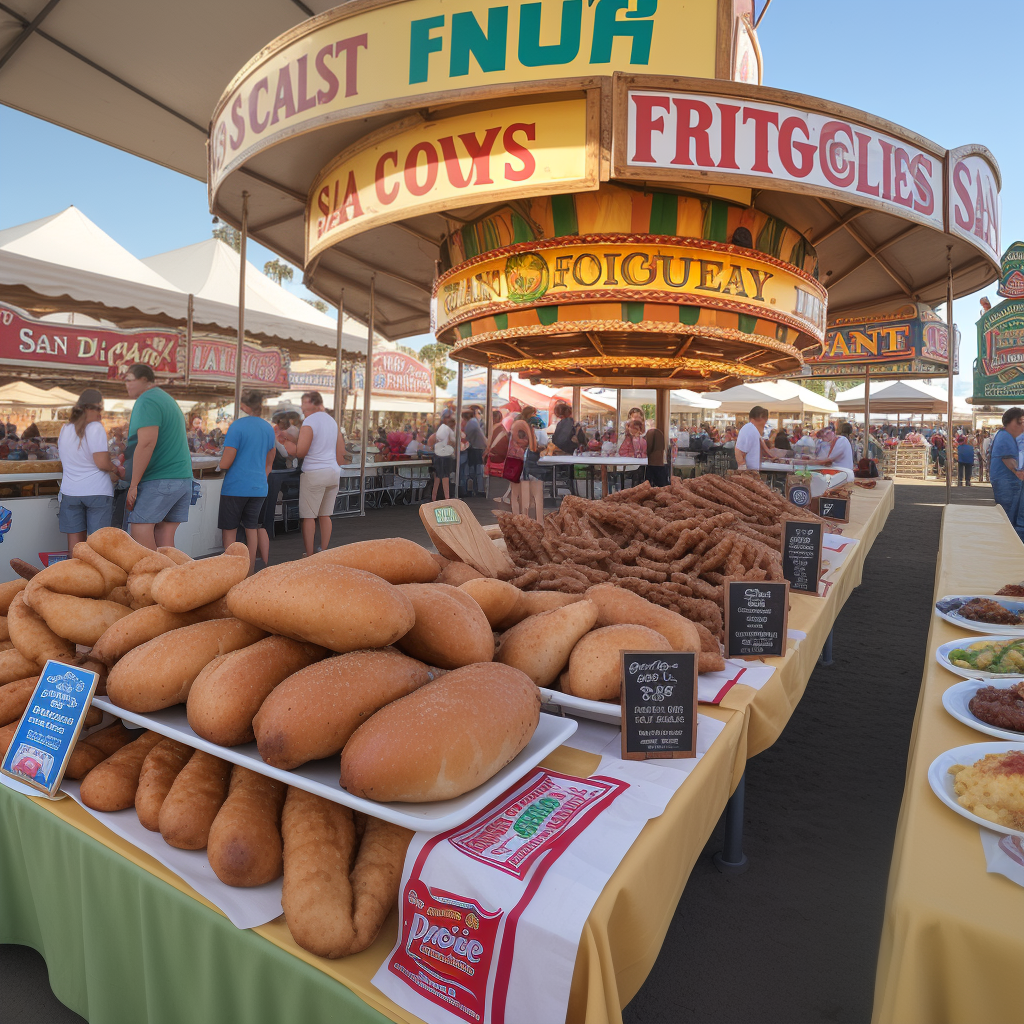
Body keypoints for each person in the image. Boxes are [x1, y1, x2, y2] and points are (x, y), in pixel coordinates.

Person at [123, 363, 194, 550]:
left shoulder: (147, 400)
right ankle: (173, 578)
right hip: (182, 478)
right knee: (164, 536)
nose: (126, 385)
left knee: (139, 528)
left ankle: (154, 578)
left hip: (161, 479)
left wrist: (134, 484)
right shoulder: (165, 398)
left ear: (145, 380)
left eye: (130, 380)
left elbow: (146, 443)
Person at [276, 391, 345, 557]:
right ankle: (324, 550)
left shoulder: (310, 421)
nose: (301, 406)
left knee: (308, 517)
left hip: (314, 473)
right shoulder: (332, 421)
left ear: (312, 403)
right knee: (325, 515)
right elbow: (340, 451)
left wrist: (284, 442)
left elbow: (300, 452)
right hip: (333, 471)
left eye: (304, 403)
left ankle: (310, 554)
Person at [217, 390, 275, 573]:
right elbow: (270, 461)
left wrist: (219, 464)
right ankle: (249, 570)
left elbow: (227, 460)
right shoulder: (268, 428)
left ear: (244, 406)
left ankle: (231, 571)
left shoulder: (237, 426)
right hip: (259, 487)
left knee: (230, 530)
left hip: (235, 486)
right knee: (252, 529)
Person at [57, 388, 121, 552]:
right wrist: (115, 468)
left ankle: (75, 576)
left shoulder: (65, 428)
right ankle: (96, 578)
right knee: (97, 547)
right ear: (93, 408)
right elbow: (101, 462)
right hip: (97, 491)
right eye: (100, 408)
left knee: (75, 547)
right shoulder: (95, 427)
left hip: (70, 491)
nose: (101, 413)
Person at [990, 408, 1024, 541]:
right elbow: (1009, 460)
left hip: (1011, 485)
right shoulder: (1005, 437)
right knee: (1009, 518)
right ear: (1013, 423)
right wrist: (1019, 472)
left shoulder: (1009, 436)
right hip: (1008, 486)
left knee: (1012, 518)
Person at [505, 408, 538, 520]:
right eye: (534, 413)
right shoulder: (526, 426)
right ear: (531, 414)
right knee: (524, 490)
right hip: (522, 458)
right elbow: (532, 445)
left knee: (515, 492)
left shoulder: (516, 422)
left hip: (512, 457)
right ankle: (524, 517)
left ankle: (516, 517)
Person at [431, 409, 457, 501]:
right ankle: (447, 497)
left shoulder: (440, 428)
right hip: (445, 455)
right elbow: (453, 442)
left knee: (438, 477)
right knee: (445, 476)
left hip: (437, 455)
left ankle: (433, 497)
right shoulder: (450, 430)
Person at [734, 406, 769, 472]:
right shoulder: (749, 429)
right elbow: (739, 451)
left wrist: (772, 455)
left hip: (753, 472)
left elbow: (762, 444)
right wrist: (743, 471)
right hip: (749, 472)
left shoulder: (754, 430)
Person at [462, 409, 486, 496]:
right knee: (478, 469)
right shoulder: (474, 422)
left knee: (474, 470)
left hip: (475, 448)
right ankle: (478, 489)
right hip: (479, 448)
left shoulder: (470, 423)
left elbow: (466, 437)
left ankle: (476, 489)